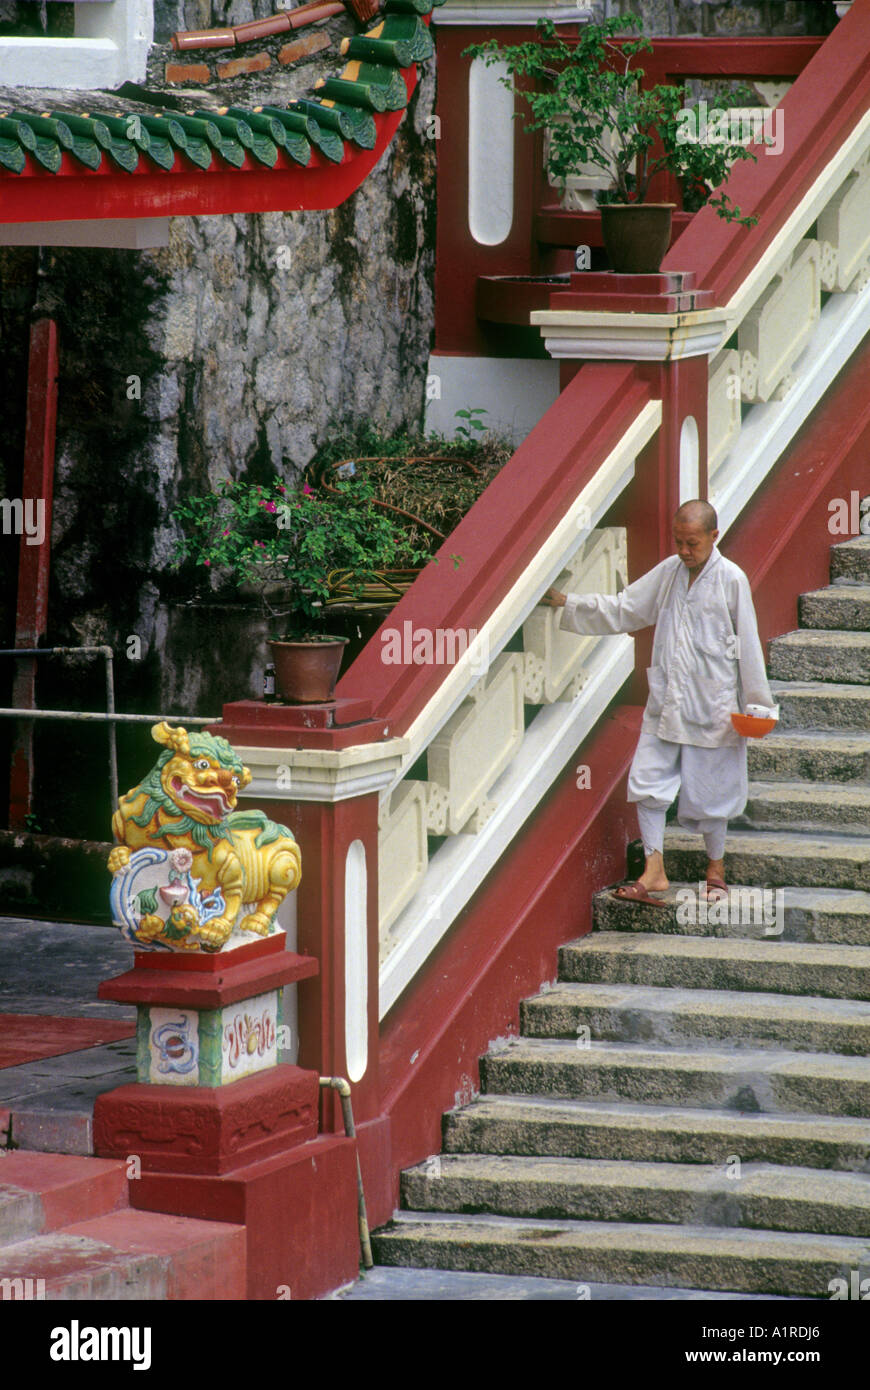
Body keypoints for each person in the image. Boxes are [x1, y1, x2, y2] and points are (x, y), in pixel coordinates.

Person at [543, 500, 776, 904]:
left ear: (713, 536)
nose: (684, 551)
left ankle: (715, 870)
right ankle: (654, 872)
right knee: (647, 783)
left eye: (692, 543)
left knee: (711, 796)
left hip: (714, 707)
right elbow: (625, 608)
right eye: (679, 542)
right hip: (667, 702)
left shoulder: (731, 580)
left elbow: (749, 645)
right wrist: (570, 603)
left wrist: (757, 704)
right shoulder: (669, 573)